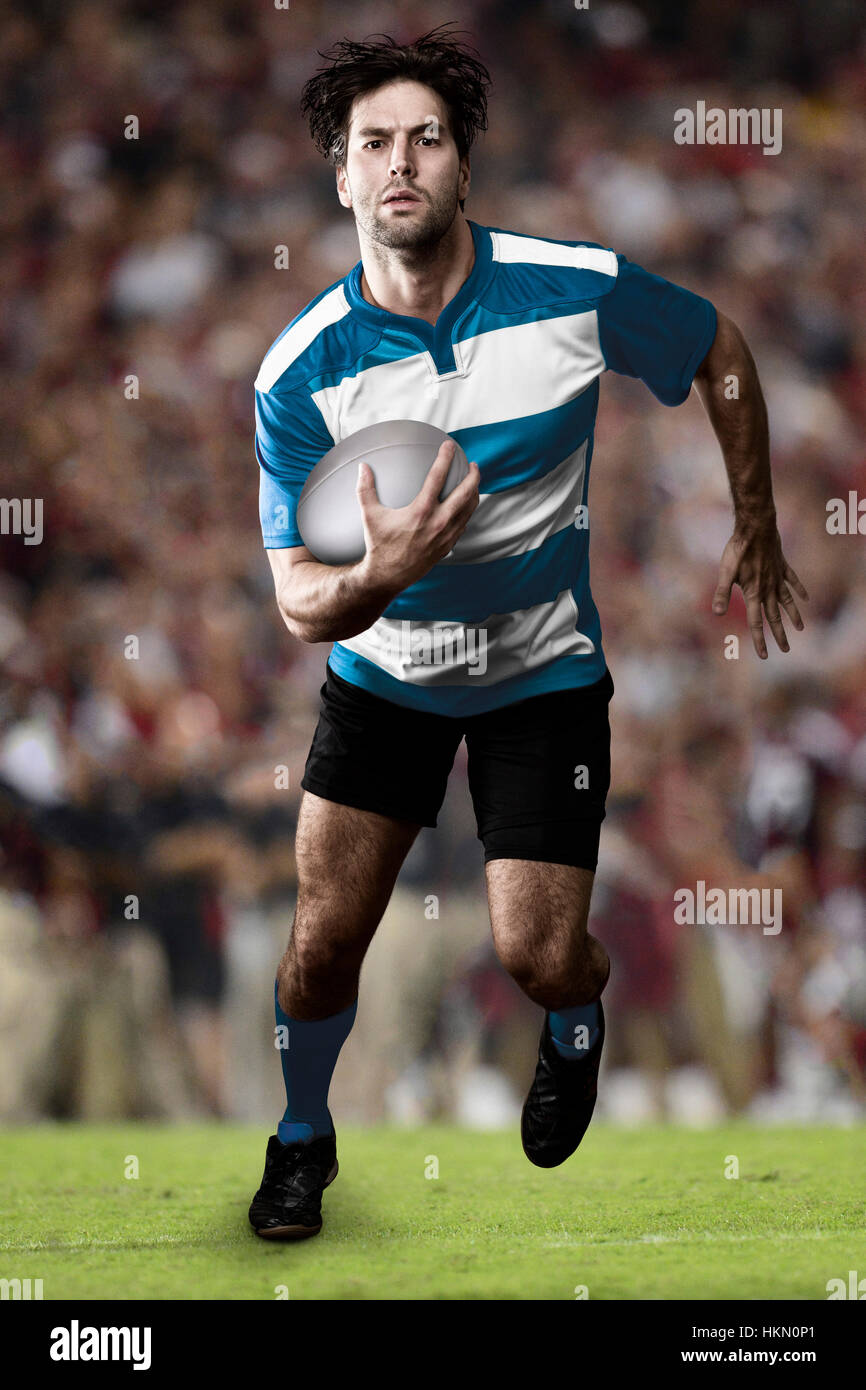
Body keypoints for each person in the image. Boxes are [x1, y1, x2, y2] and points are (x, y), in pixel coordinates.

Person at [248, 24, 808, 1239]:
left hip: (540, 677)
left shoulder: (569, 288)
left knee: (537, 953)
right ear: (340, 177)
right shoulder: (298, 374)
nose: (399, 163)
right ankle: (300, 1138)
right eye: (372, 144)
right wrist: (376, 579)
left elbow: (715, 345)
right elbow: (297, 601)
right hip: (382, 676)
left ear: (463, 166)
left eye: (425, 140)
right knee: (319, 944)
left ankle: (575, 1018)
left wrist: (753, 521)